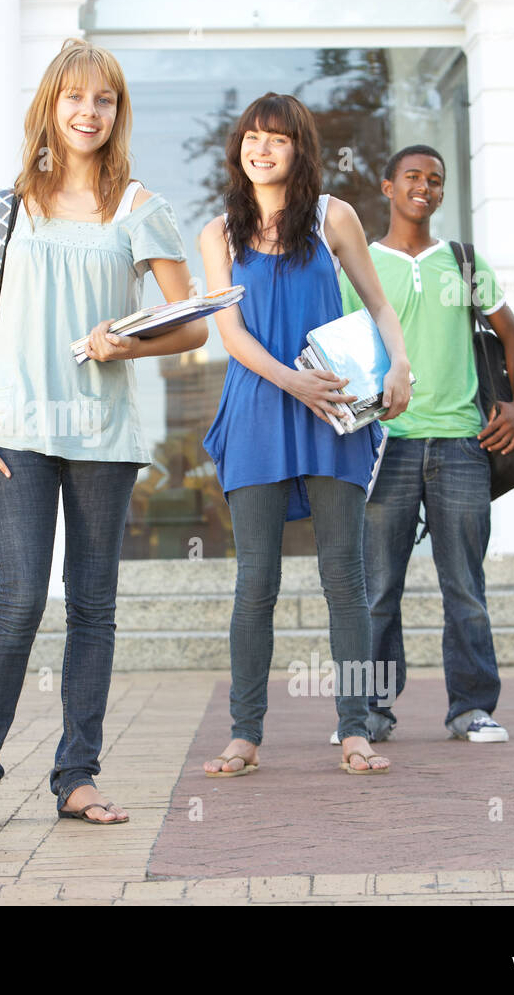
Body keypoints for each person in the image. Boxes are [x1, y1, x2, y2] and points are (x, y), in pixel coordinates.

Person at [0, 39, 206, 830]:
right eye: (75, 99)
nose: (89, 113)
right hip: (14, 428)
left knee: (92, 607)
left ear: (117, 113)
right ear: (50, 108)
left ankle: (77, 776)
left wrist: (128, 342)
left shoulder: (139, 205)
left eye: (105, 101)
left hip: (103, 433)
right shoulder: (10, 204)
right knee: (19, 601)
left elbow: (188, 326)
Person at [200, 93, 412, 777]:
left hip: (334, 412)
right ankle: (245, 732)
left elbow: (379, 303)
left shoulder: (333, 216)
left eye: (278, 139)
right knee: (255, 580)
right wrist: (292, 383)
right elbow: (228, 335)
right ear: (239, 149)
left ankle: (355, 730)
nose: (262, 149)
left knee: (344, 576)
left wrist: (401, 363)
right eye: (252, 138)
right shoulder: (218, 234)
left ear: (299, 149)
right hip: (260, 410)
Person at [338, 144, 514, 743]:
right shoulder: (360, 264)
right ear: (387, 186)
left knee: (465, 588)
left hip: (460, 446)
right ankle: (367, 713)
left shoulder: (465, 262)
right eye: (413, 177)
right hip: (384, 447)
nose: (425, 187)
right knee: (375, 591)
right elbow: (345, 352)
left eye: (436, 180)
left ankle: (472, 707)